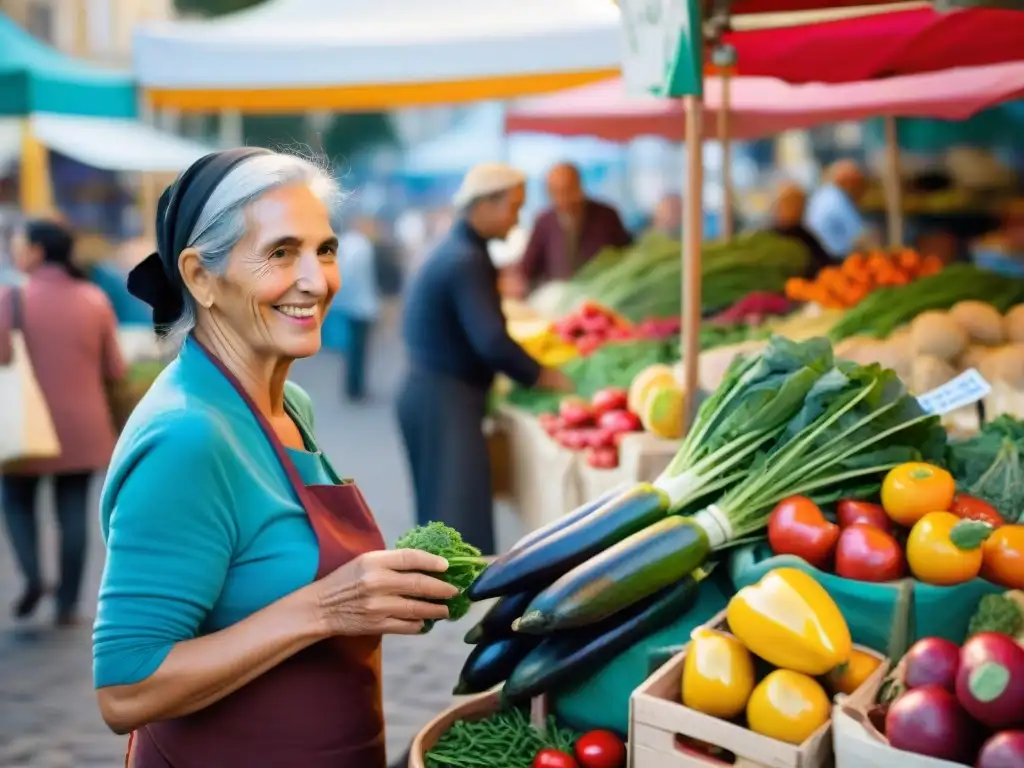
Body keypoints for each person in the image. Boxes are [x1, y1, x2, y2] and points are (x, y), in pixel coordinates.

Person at [93, 148, 456, 767]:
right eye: (281, 253)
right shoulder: (189, 436)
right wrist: (324, 608)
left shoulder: (292, 406)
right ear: (201, 277)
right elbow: (126, 688)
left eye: (326, 250)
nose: (317, 280)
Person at [397, 163, 572, 557]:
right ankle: (458, 615)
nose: (517, 218)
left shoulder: (462, 250)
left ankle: (445, 607)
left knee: (445, 528)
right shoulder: (466, 259)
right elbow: (491, 340)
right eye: (513, 206)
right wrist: (541, 375)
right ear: (485, 205)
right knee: (460, 534)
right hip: (443, 400)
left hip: (434, 395)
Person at [0, 219, 126, 626]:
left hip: (24, 429)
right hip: (84, 429)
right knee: (73, 510)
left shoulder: (11, 297)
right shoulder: (94, 298)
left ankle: (35, 575)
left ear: (37, 251)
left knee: (17, 503)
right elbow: (115, 369)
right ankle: (68, 605)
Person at [516, 162, 632, 291]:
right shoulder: (544, 221)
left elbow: (627, 256)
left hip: (602, 292)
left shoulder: (607, 216)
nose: (563, 199)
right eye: (556, 192)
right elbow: (527, 267)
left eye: (568, 190)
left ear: (579, 186)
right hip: (559, 299)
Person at [335, 217, 381, 401]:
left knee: (353, 348)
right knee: (359, 350)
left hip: (351, 304)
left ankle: (352, 387)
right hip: (363, 306)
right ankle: (356, 387)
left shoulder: (346, 244)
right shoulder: (361, 245)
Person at [805, 159, 868, 260]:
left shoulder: (821, 194)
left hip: (818, 256)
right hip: (835, 260)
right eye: (859, 183)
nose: (862, 190)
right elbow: (860, 237)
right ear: (849, 182)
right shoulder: (839, 199)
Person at [769, 182, 832, 278]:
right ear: (777, 206)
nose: (796, 209)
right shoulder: (767, 238)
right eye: (789, 203)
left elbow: (826, 264)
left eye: (800, 204)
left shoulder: (806, 236)